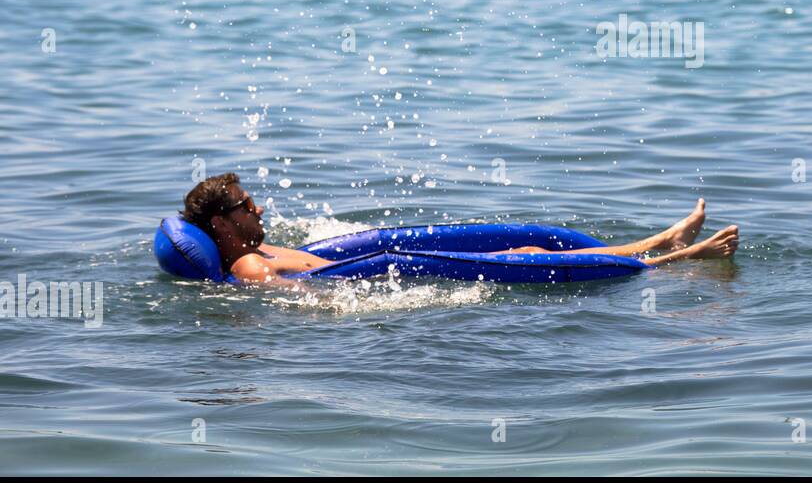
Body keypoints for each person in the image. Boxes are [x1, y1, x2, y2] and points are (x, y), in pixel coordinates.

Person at [182, 173, 739, 283]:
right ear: (221, 222)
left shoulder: (265, 246)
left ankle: (661, 243)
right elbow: (294, 301)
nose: (259, 209)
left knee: (529, 242)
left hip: (371, 271)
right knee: (524, 251)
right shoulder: (250, 265)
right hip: (377, 282)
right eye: (247, 205)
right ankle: (678, 257)